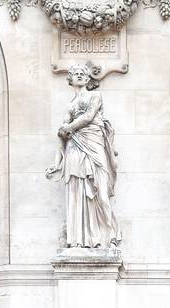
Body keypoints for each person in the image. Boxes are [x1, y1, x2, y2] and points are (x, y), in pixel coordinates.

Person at [46, 64, 121, 249]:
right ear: (70, 79)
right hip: (74, 149)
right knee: (76, 193)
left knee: (101, 193)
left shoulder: (95, 96)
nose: (79, 76)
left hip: (94, 146)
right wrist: (56, 163)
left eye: (82, 74)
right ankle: (78, 239)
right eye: (75, 74)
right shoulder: (70, 106)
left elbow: (88, 117)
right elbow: (61, 137)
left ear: (88, 79)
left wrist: (68, 128)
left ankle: (109, 236)